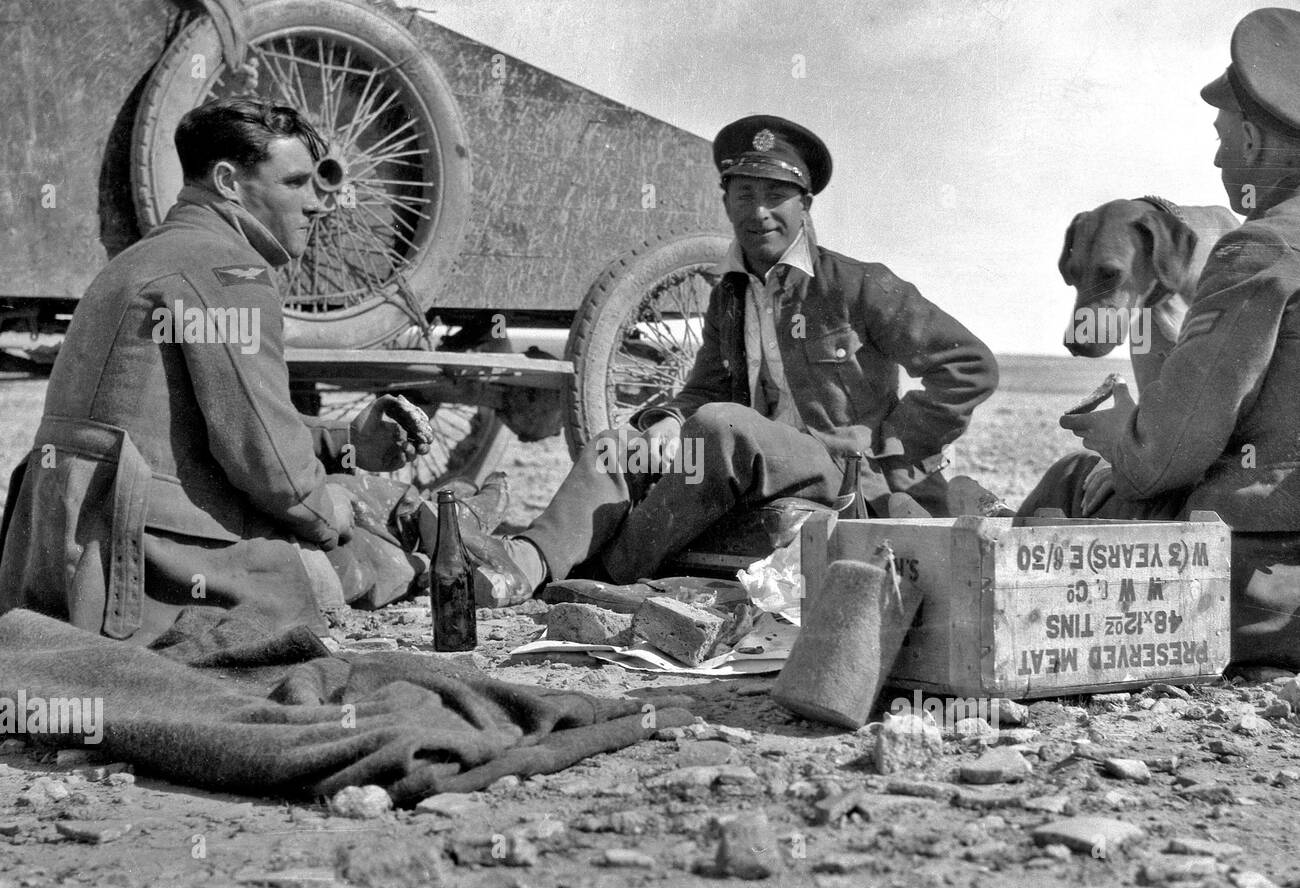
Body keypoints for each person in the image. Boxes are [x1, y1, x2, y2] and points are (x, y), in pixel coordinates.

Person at [0, 97, 497, 641]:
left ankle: (458, 525)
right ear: (228, 181)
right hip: (142, 575)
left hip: (59, 564)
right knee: (361, 540)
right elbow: (273, 472)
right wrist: (329, 509)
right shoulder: (228, 270)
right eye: (295, 183)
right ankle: (502, 554)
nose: (318, 205)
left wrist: (343, 440)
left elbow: (218, 423)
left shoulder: (144, 260)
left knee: (350, 494)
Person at [466, 115, 998, 606]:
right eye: (744, 194)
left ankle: (614, 575)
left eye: (776, 196)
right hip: (755, 464)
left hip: (836, 472)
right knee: (620, 447)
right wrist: (670, 422)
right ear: (725, 202)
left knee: (723, 427)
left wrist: (890, 450)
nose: (758, 212)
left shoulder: (859, 285)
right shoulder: (731, 294)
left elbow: (970, 365)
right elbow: (708, 386)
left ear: (805, 205)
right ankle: (525, 565)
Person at [1021, 7, 1300, 672]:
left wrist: (1117, 427)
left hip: (1263, 564)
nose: (1216, 156)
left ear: (1257, 148)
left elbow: (1165, 456)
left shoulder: (1260, 246)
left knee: (1055, 521)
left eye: (1224, 137)